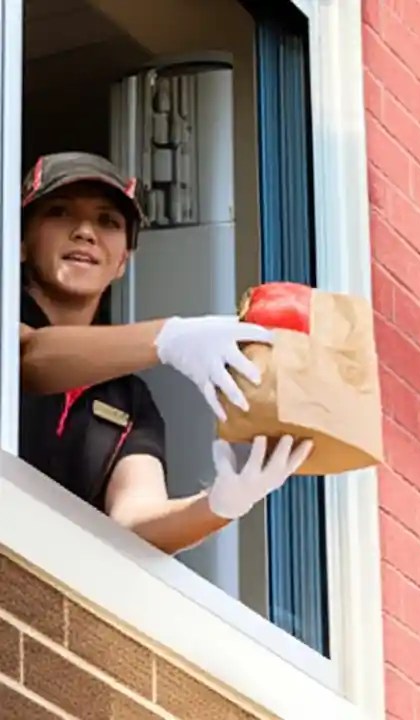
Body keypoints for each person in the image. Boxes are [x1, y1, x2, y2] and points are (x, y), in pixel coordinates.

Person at [16, 151, 312, 554]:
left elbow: (135, 522)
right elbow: (27, 359)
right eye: (60, 212)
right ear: (20, 242)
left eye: (108, 221)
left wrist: (222, 504)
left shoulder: (128, 397)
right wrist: (168, 338)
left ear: (123, 261)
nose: (85, 231)